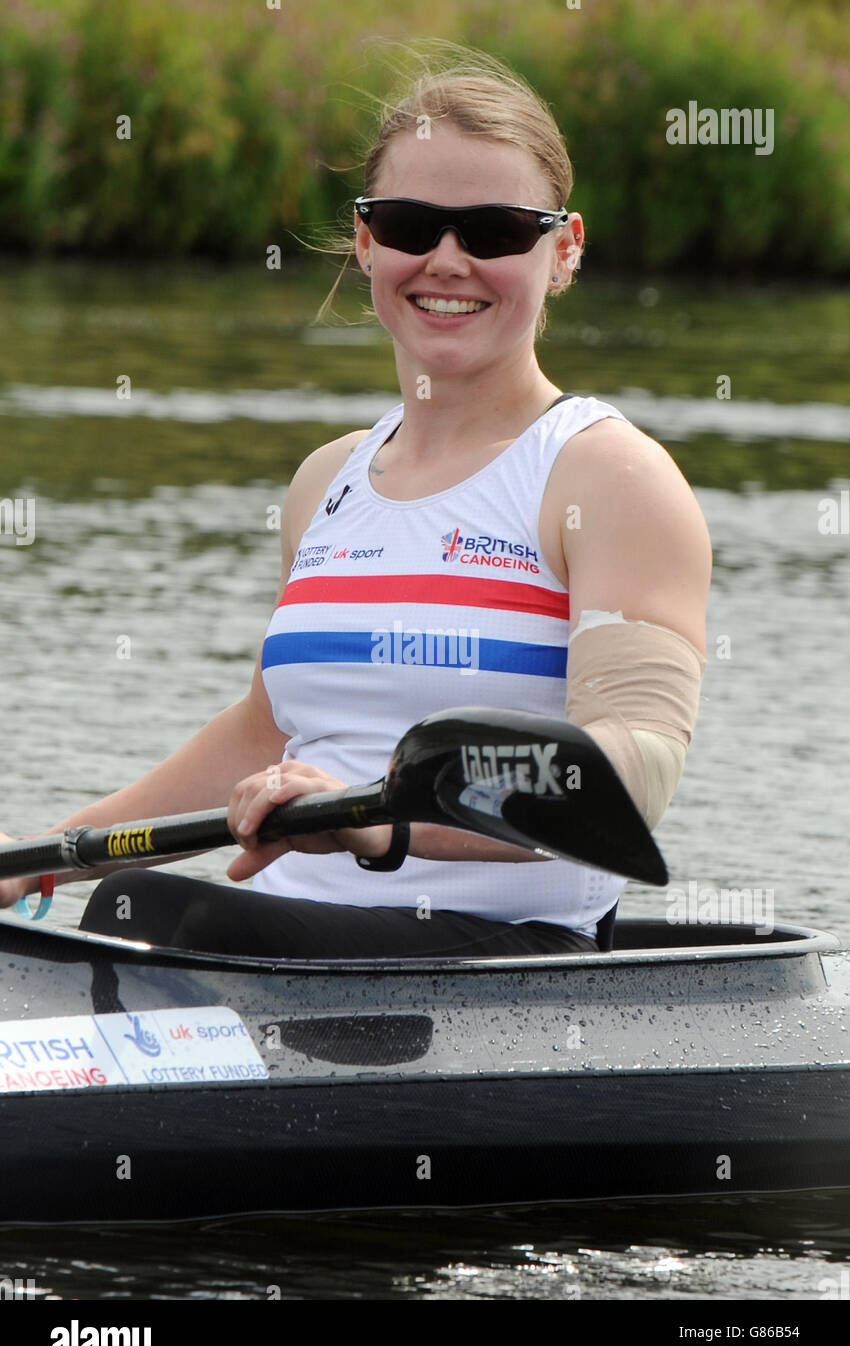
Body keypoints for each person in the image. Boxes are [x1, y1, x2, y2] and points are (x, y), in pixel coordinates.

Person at [0, 51, 711, 958]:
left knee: (177, 918)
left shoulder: (609, 479)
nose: (448, 261)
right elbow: (261, 733)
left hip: (506, 965)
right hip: (291, 944)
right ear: (369, 241)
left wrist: (381, 824)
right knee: (133, 903)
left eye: (494, 230)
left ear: (563, 250)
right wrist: (46, 854)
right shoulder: (326, 481)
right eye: (413, 224)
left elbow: (632, 766)